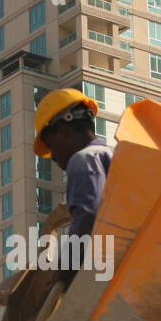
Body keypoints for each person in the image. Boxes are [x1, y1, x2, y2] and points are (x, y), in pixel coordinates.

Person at [33, 88, 111, 283]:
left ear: (62, 131)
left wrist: (65, 270)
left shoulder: (83, 160)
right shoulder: (115, 156)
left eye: (51, 146)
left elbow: (88, 214)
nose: (53, 157)